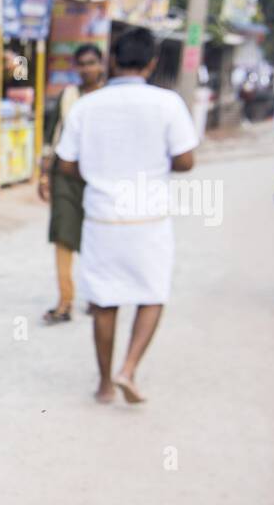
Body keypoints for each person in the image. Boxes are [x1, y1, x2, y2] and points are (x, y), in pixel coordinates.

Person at [55, 27, 198, 404]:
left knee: (104, 301)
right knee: (152, 294)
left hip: (102, 218)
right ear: (152, 63)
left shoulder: (87, 106)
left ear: (112, 61)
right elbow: (186, 160)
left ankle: (104, 384)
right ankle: (128, 368)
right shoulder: (169, 103)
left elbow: (66, 164)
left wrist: (98, 168)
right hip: (149, 219)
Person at [39, 44, 106, 323]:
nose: (86, 69)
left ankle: (97, 296)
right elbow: (52, 133)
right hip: (65, 175)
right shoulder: (69, 96)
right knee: (63, 236)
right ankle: (65, 301)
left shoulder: (109, 98)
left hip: (100, 177)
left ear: (101, 65)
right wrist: (44, 173)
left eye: (91, 63)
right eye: (81, 64)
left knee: (97, 237)